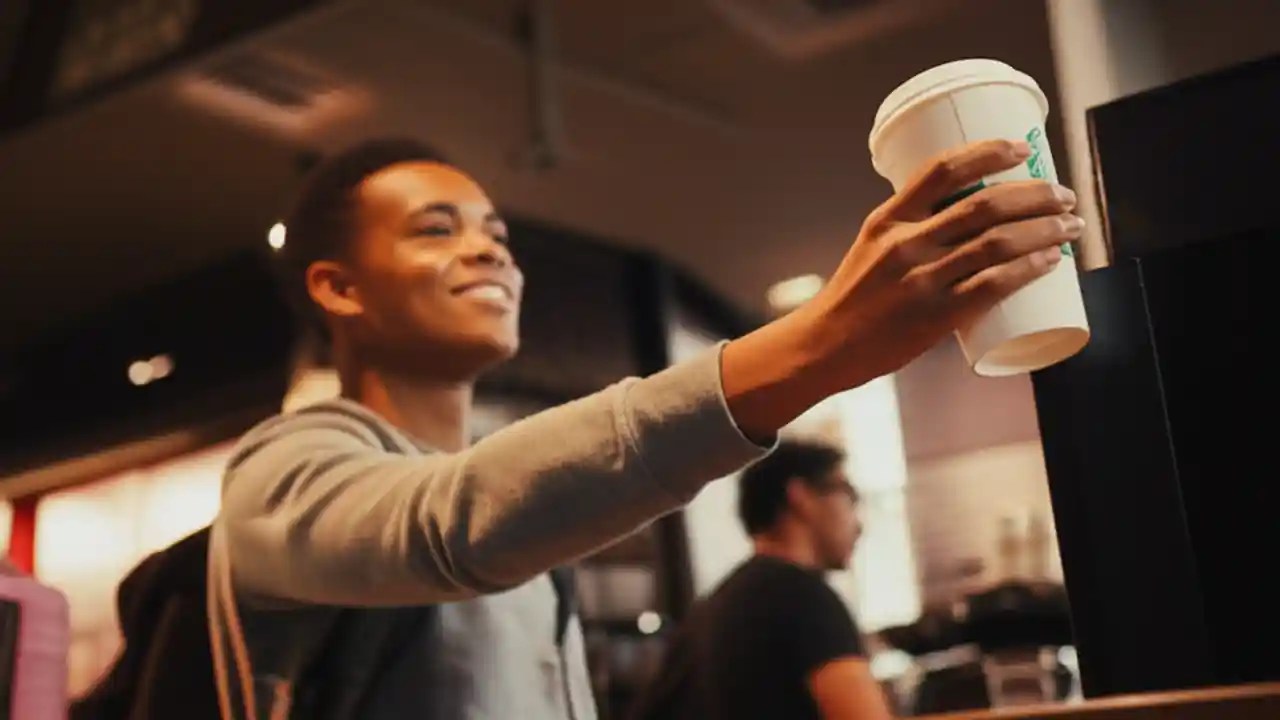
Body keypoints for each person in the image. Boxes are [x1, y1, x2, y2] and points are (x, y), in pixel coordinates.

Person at [207, 135, 1081, 719]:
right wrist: (822, 343)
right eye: (437, 231)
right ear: (339, 288)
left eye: (496, 233)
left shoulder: (525, 528)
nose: (489, 251)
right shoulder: (283, 470)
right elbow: (448, 523)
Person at [627, 440, 890, 720]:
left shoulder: (709, 611)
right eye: (849, 495)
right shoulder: (805, 599)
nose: (859, 524)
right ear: (800, 496)